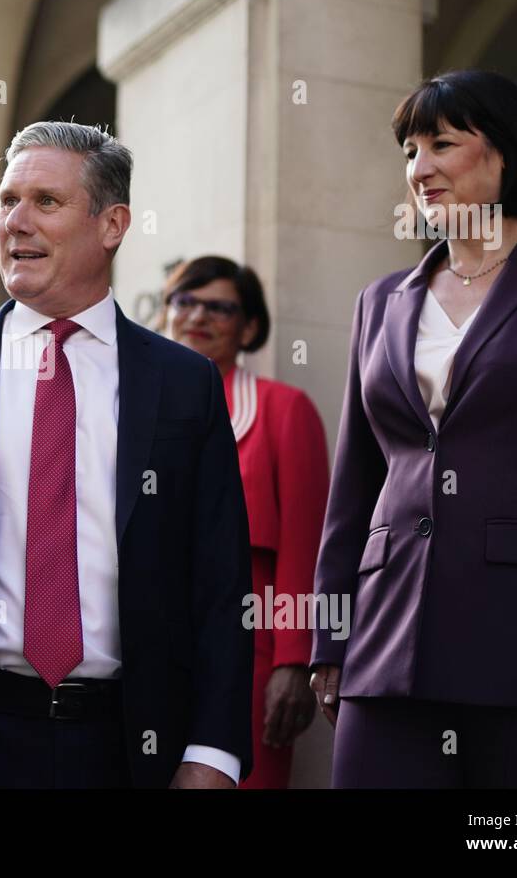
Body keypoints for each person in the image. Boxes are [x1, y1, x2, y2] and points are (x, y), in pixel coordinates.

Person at [0, 121, 253, 789]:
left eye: (46, 202)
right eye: (7, 201)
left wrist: (214, 751)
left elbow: (220, 579)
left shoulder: (184, 385)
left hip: (128, 746)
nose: (16, 223)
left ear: (112, 224)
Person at [310, 69, 517, 787]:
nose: (419, 168)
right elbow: (356, 484)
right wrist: (331, 634)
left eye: (441, 143)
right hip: (386, 643)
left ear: (506, 154)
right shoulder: (382, 301)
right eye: (408, 150)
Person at [161, 256, 329, 788]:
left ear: (250, 327)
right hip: (145, 652)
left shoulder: (285, 410)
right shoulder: (131, 411)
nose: (197, 317)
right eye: (185, 301)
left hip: (246, 655)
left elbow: (307, 547)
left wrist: (293, 661)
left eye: (219, 308)